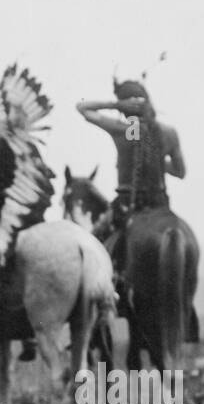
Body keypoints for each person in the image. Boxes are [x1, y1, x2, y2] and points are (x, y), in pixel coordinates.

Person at [76, 78, 185, 309]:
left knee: (94, 244)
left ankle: (102, 300)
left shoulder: (122, 129)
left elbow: (82, 108)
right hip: (160, 205)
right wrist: (156, 161)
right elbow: (180, 171)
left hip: (127, 207)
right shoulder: (169, 133)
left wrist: (115, 105)